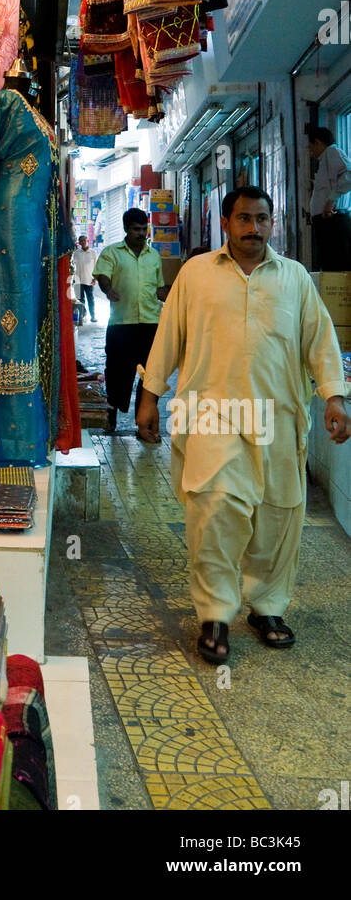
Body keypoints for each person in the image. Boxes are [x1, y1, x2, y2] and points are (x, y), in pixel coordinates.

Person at [136, 186, 350, 666]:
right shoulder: (196, 275)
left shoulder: (293, 278)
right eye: (243, 219)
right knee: (214, 516)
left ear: (273, 223)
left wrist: (333, 397)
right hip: (212, 416)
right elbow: (167, 335)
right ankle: (214, 614)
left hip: (278, 417)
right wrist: (148, 398)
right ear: (226, 224)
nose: (253, 228)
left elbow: (320, 342)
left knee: (277, 518)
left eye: (262, 219)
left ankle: (267, 607)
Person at [93, 208, 167, 433]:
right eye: (136, 229)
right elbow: (102, 276)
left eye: (144, 229)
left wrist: (177, 299)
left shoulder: (153, 255)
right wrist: (108, 290)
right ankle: (111, 420)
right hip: (121, 325)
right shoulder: (112, 252)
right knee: (117, 375)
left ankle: (143, 423)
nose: (141, 233)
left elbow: (159, 288)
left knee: (150, 375)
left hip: (150, 324)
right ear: (126, 229)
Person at [306, 126, 351, 270]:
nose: (310, 151)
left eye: (311, 146)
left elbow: (349, 174)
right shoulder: (326, 158)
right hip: (325, 221)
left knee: (337, 266)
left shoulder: (332, 151)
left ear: (318, 142)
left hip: (332, 220)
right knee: (329, 266)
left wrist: (331, 200)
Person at [72, 234, 98, 323]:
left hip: (89, 280)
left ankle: (93, 316)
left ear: (88, 241)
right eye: (81, 241)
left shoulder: (93, 253)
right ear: (79, 243)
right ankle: (82, 315)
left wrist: (95, 279)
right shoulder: (76, 253)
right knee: (80, 300)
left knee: (90, 299)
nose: (83, 242)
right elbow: (73, 265)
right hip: (78, 280)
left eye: (84, 240)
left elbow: (96, 267)